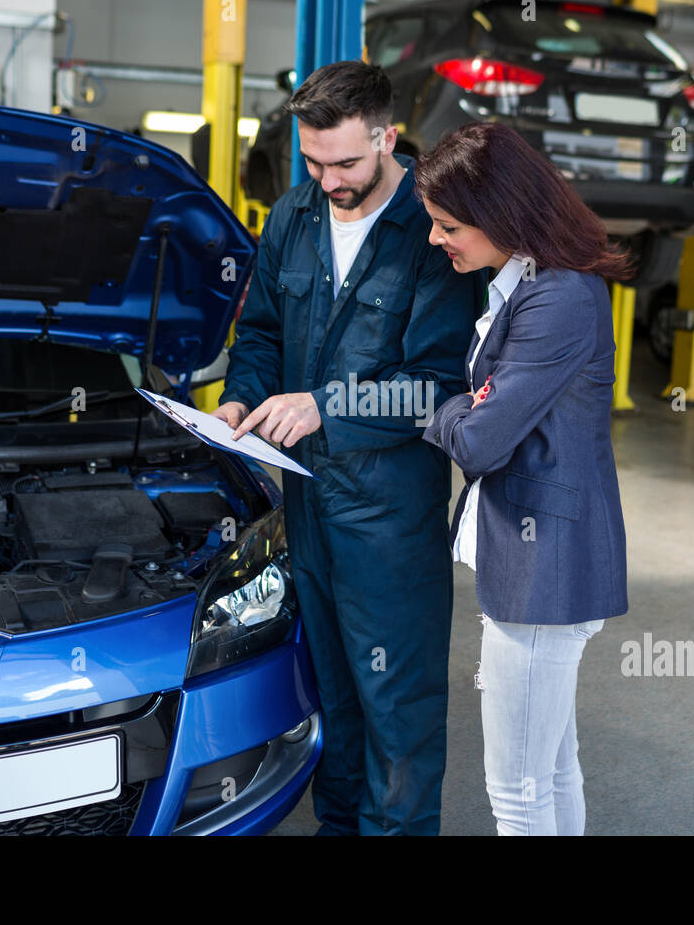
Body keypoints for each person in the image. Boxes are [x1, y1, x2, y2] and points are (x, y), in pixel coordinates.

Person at [211, 61, 482, 834]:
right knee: (330, 694)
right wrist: (242, 392)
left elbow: (433, 385)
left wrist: (324, 406)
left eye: (346, 163)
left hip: (388, 518)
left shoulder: (434, 233)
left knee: (397, 709)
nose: (329, 180)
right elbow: (260, 330)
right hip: (308, 506)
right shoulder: (292, 215)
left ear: (387, 138)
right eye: (313, 161)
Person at [415, 121, 632, 836]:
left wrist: (451, 409)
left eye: (449, 225)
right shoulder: (526, 283)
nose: (435, 239)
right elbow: (489, 422)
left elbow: (479, 439)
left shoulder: (558, 297)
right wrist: (475, 409)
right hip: (538, 560)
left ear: (501, 213)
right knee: (553, 771)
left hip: (546, 571)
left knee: (516, 791)